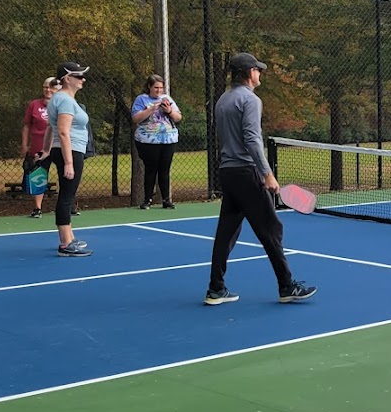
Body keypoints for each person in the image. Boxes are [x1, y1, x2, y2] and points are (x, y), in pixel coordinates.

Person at [206, 52, 316, 305]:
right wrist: (267, 174)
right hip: (246, 172)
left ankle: (215, 288)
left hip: (228, 173)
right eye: (257, 69)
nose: (260, 73)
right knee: (271, 229)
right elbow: (252, 139)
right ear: (248, 73)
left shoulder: (223, 99)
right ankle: (287, 286)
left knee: (226, 232)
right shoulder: (250, 100)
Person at [48, 62, 93, 256]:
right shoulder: (65, 100)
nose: (83, 79)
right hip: (70, 151)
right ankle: (65, 244)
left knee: (67, 195)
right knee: (66, 196)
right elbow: (63, 132)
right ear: (67, 79)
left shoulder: (62, 99)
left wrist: (45, 149)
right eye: (78, 76)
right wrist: (68, 162)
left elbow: (51, 128)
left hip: (69, 150)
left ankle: (70, 237)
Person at [132, 74, 182, 209]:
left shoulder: (167, 99)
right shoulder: (141, 99)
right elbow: (136, 118)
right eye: (156, 88)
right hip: (149, 140)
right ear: (149, 87)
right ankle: (147, 199)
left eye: (161, 88)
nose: (159, 91)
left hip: (168, 140)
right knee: (151, 169)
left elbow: (178, 117)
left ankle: (166, 199)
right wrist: (151, 109)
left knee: (164, 169)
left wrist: (169, 110)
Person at [21, 76, 58, 218]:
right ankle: (37, 208)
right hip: (39, 145)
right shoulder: (34, 105)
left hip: (58, 145)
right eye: (45, 87)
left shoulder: (63, 104)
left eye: (51, 87)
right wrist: (24, 144)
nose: (48, 89)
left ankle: (69, 205)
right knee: (39, 175)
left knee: (65, 174)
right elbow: (26, 126)